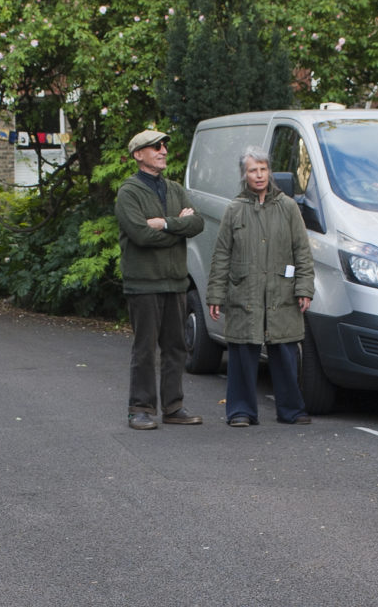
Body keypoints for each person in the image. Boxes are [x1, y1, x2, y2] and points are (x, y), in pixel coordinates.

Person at [206, 151, 316, 426]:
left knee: (285, 353)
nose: (259, 175)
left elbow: (302, 251)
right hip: (245, 294)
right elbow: (221, 255)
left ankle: (291, 410)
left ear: (270, 172)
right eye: (253, 170)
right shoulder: (235, 209)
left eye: (263, 169)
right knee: (243, 353)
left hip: (282, 293)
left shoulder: (288, 207)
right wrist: (215, 295)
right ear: (244, 175)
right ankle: (240, 411)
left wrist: (305, 288)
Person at [114, 127, 206, 430]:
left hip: (175, 281)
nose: (164, 151)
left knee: (176, 347)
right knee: (144, 349)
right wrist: (179, 227)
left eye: (164, 146)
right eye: (156, 147)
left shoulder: (175, 189)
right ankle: (139, 409)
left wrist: (165, 224)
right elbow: (140, 235)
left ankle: (173, 407)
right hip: (143, 283)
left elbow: (197, 223)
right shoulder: (128, 192)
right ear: (138, 155)